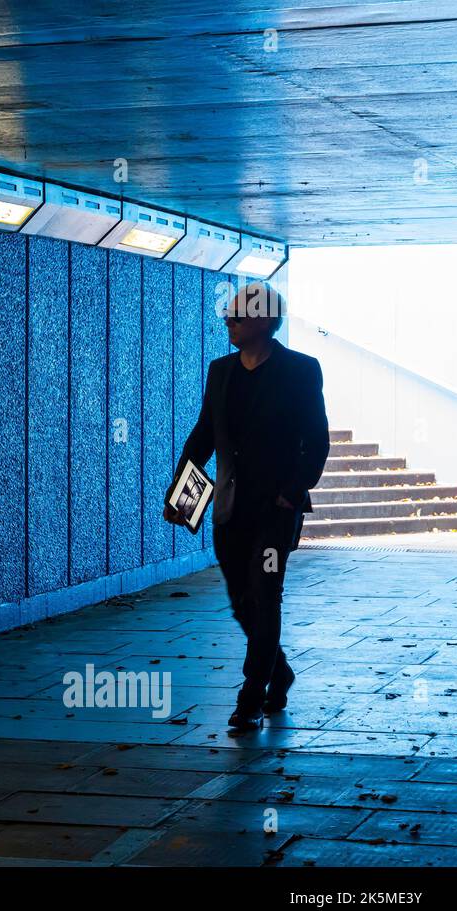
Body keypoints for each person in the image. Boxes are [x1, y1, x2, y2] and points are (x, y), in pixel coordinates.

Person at [163, 281, 329, 731]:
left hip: (275, 511)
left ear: (263, 320)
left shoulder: (300, 370)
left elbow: (316, 441)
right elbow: (204, 435)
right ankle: (280, 670)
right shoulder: (221, 371)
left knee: (266, 595)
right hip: (230, 510)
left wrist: (292, 493)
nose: (227, 321)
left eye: (236, 315)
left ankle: (251, 695)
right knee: (242, 602)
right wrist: (182, 493)